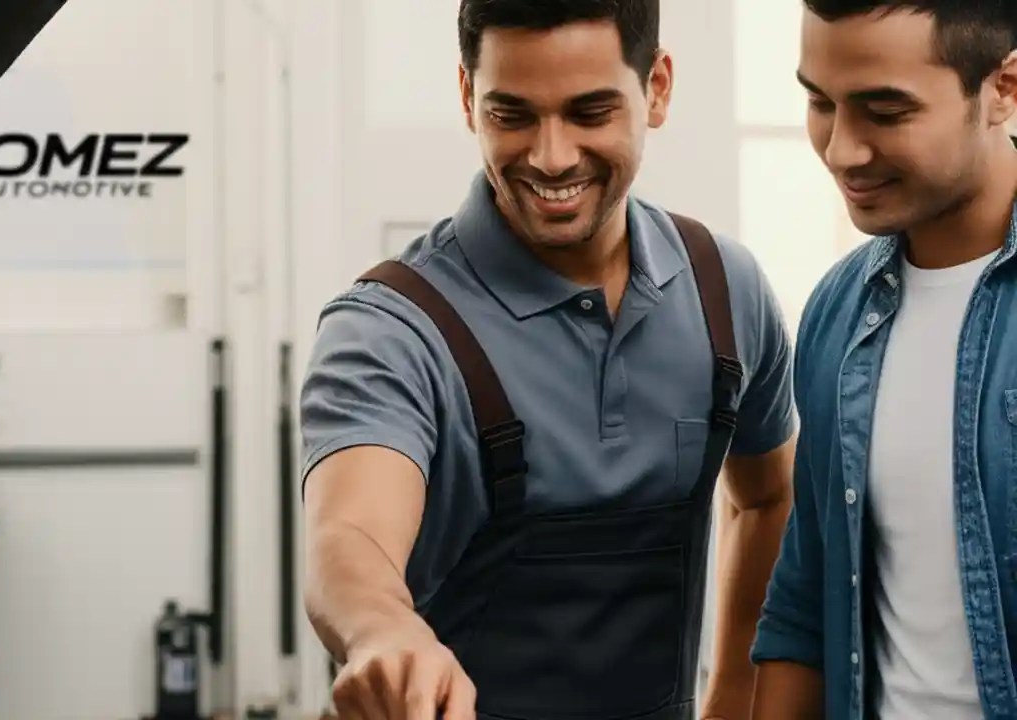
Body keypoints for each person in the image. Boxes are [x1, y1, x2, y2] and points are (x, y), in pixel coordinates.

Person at [299, 1, 798, 718]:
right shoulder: (390, 331)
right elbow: (347, 537)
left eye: (589, 112)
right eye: (513, 115)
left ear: (656, 88)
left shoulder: (727, 291)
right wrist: (382, 631)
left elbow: (766, 498)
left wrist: (730, 701)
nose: (551, 156)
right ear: (469, 97)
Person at [750, 2, 1017, 719]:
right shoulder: (837, 312)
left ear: (1004, 88)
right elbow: (806, 603)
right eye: (819, 101)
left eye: (885, 112)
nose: (841, 149)